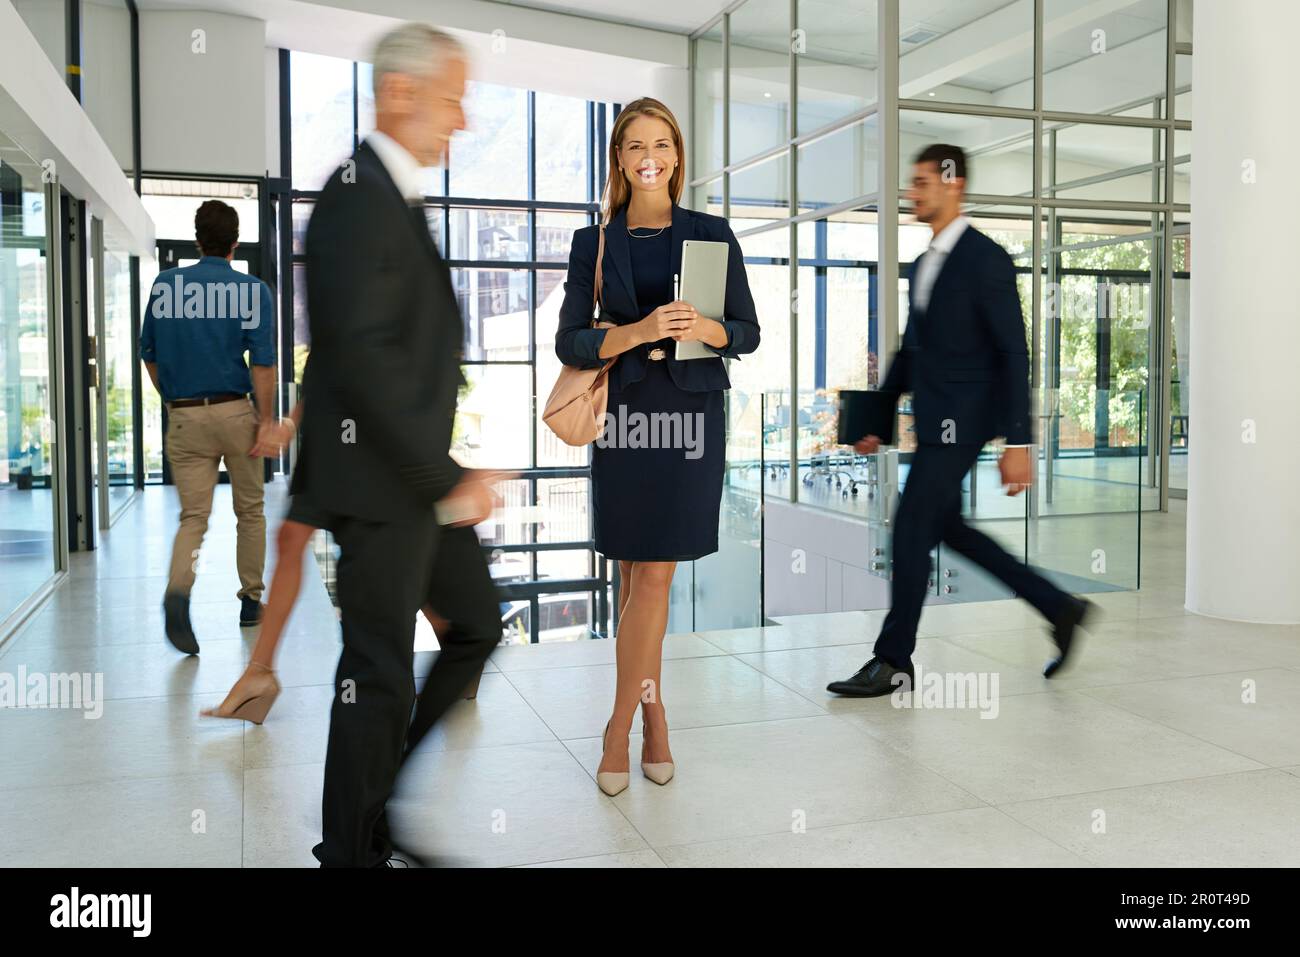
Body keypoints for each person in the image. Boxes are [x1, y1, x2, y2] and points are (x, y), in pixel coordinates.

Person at [302, 22, 504, 868]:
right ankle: (350, 850)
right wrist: (444, 477)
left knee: (477, 626)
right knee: (378, 672)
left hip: (416, 482)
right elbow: (360, 356)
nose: (461, 118)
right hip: (385, 485)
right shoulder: (355, 195)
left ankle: (377, 816)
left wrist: (443, 479)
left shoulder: (391, 192)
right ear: (400, 92)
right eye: (453, 97)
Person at [827, 144, 1092, 698]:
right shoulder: (926, 262)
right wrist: (874, 414)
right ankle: (1059, 607)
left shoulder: (986, 259)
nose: (912, 193)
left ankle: (892, 660)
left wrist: (1019, 439)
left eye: (921, 182)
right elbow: (913, 350)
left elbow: (1014, 352)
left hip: (964, 425)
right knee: (949, 529)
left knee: (909, 532)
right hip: (933, 423)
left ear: (954, 185)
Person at [555, 97, 760, 796]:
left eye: (662, 143)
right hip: (626, 417)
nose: (650, 156)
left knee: (655, 578)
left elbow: (748, 331)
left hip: (692, 418)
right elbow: (569, 341)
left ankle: (621, 725)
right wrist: (639, 330)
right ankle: (651, 708)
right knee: (630, 575)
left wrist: (707, 324)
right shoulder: (596, 241)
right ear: (619, 157)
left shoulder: (711, 232)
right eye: (635, 144)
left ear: (677, 154)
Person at [200, 403, 493, 723]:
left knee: (398, 540)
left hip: (375, 436)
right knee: (294, 538)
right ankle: (260, 672)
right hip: (342, 433)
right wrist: (290, 422)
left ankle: (443, 660)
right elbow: (326, 367)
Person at [140, 199, 279, 654]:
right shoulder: (253, 291)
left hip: (185, 414)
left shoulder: (165, 286)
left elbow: (151, 357)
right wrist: (265, 421)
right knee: (250, 511)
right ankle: (250, 600)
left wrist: (175, 402)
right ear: (234, 244)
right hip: (236, 412)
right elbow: (262, 364)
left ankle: (179, 593)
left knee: (194, 518)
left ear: (198, 240)